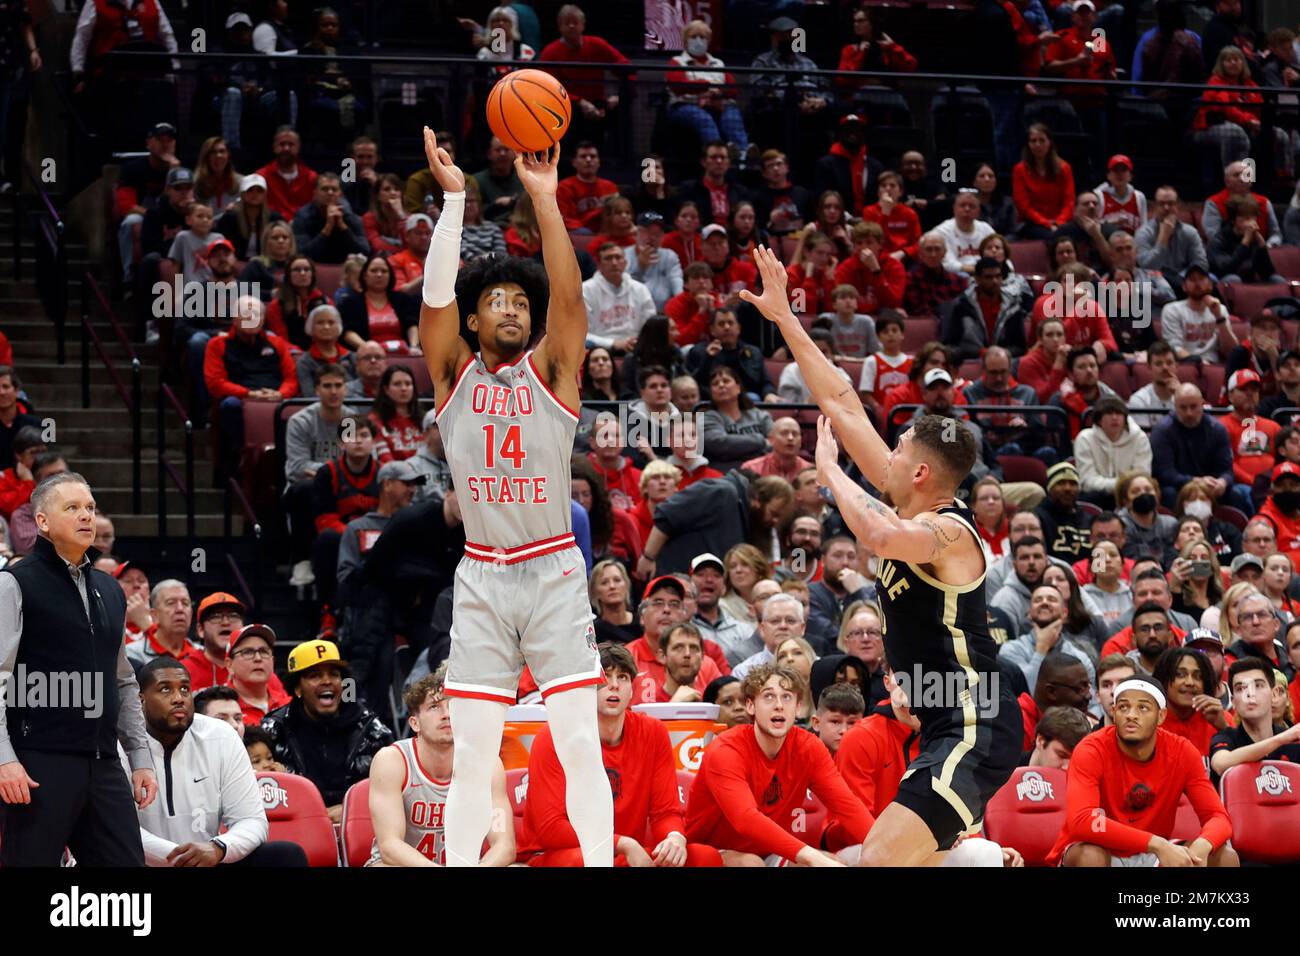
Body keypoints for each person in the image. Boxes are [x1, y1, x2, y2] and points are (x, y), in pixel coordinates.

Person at [742, 245, 1023, 866]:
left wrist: (827, 475)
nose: (885, 454)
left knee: (876, 862)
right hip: (942, 724)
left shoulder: (949, 534)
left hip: (974, 724)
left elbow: (880, 539)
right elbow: (843, 403)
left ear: (920, 470)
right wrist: (786, 318)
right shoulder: (910, 499)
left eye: (896, 448)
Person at [416, 134, 615, 864]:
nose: (511, 309)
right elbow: (435, 298)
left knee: (577, 740)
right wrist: (454, 201)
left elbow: (567, 294)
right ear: (473, 322)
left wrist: (545, 199)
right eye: (494, 301)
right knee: (473, 752)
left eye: (518, 303)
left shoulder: (556, 372)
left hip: (554, 570)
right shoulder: (452, 377)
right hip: (483, 574)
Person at [0, 472, 158, 865]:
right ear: (42, 522)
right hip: (38, 762)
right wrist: (4, 760)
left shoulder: (109, 589)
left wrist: (139, 756)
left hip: (104, 763)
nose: (86, 516)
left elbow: (123, 681)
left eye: (90, 507)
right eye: (72, 508)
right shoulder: (13, 584)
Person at [684, 663, 872, 866]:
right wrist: (811, 855)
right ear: (750, 706)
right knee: (752, 863)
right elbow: (745, 819)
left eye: (787, 697)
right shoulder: (725, 750)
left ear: (798, 707)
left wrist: (883, 845)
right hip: (708, 851)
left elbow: (848, 806)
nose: (779, 705)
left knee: (832, 861)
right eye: (768, 696)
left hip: (768, 849)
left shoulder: (809, 747)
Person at [128, 657, 305, 867]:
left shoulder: (221, 736)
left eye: (185, 689)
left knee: (286, 855)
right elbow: (120, 828)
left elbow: (252, 820)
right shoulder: (118, 743)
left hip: (208, 859)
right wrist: (183, 859)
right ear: (140, 700)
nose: (179, 698)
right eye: (165, 690)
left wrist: (219, 848)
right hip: (145, 862)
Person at [1049, 677, 1236, 867]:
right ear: (1113, 713)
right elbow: (1082, 821)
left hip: (1153, 854)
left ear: (1161, 716)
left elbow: (1218, 818)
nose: (1131, 715)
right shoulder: (1091, 749)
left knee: (1224, 858)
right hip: (1101, 849)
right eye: (1123, 707)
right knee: (1091, 857)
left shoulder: (1182, 752)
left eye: (1143, 708)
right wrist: (1156, 843)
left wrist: (1202, 846)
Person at [366, 666, 513, 867]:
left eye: (452, 706)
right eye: (434, 707)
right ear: (414, 723)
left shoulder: (487, 764)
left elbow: (504, 846)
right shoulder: (392, 761)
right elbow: (390, 847)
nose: (446, 714)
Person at [261, 638, 393, 823]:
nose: (327, 681)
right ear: (297, 687)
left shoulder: (373, 729)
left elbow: (395, 788)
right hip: (296, 827)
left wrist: (352, 808)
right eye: (314, 675)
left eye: (334, 674)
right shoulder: (274, 730)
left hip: (361, 825)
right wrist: (314, 814)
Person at [1209, 657, 1300, 785]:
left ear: (1274, 694)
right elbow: (1221, 764)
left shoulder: (1294, 743)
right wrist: (1282, 739)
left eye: (1258, 685)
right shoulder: (1225, 737)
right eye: (1240, 688)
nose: (1250, 694)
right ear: (1233, 701)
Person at [1151, 383, 1241, 510]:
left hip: (1210, 486)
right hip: (1178, 486)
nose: (1189, 413)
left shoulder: (1217, 429)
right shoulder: (1162, 430)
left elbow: (1226, 470)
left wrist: (1222, 482)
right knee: (1169, 494)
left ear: (1202, 404)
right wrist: (1195, 481)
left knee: (1235, 495)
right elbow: (1164, 473)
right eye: (1183, 407)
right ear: (1175, 407)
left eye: (1193, 407)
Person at [999, 583, 1097, 686]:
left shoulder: (1080, 657)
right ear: (1030, 613)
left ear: (1065, 613)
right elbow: (1025, 690)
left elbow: (1091, 700)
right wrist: (1041, 649)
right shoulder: (1012, 649)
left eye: (1052, 599)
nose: (1044, 602)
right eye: (1038, 600)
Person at [942, 255, 1029, 359]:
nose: (995, 281)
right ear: (977, 279)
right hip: (971, 361)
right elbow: (950, 346)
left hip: (1005, 361)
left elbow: (1020, 346)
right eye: (989, 277)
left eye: (998, 276)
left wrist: (999, 354)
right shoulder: (960, 306)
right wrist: (981, 352)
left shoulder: (1013, 306)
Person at [1074, 398, 1152, 506]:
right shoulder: (1085, 439)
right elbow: (1087, 481)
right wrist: (1120, 485)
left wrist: (1125, 487)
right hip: (1097, 495)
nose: (1115, 417)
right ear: (1099, 420)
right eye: (1109, 413)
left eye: (1119, 413)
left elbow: (1143, 474)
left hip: (1131, 493)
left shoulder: (1140, 438)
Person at [1153, 646, 1228, 756]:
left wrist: (1223, 727)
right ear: (1163, 679)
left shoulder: (1220, 717)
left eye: (1198, 676)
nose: (1189, 682)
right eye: (1180, 674)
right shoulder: (1150, 721)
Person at [582, 242, 656, 353]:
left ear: (625, 262)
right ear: (599, 264)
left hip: (636, 346)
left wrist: (637, 341)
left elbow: (650, 325)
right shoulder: (585, 290)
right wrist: (612, 343)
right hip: (599, 348)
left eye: (618, 257)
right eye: (608, 258)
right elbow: (580, 333)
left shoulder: (640, 289)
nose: (614, 263)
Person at [807, 535, 875, 654]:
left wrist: (857, 592)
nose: (845, 562)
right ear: (823, 561)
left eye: (851, 557)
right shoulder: (810, 593)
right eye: (837, 556)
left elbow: (875, 631)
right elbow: (830, 636)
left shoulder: (870, 593)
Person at [1135, 186, 1208, 295]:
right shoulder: (1143, 233)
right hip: (1156, 283)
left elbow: (1201, 263)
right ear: (1155, 206)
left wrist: (1185, 279)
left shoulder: (1190, 232)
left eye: (1171, 203)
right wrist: (1163, 237)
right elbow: (1147, 266)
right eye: (1161, 204)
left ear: (1178, 206)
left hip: (1185, 279)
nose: (1166, 208)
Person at [1012, 123, 1075, 239]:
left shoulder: (1064, 168)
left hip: (1061, 222)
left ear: (1049, 142)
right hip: (1032, 223)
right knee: (1053, 236)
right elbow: (1023, 206)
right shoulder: (1019, 170)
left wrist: (1059, 222)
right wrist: (1046, 223)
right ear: (1028, 144)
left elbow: (1069, 202)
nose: (1038, 145)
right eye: (1033, 141)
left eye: (1042, 140)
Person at [226, 623, 291, 725]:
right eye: (247, 652)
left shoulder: (290, 705)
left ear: (273, 660)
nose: (258, 658)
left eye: (264, 651)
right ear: (229, 665)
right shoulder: (220, 710)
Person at [254, 127, 318, 221]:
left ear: (298, 147)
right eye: (282, 144)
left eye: (291, 144)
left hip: (303, 229)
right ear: (274, 147)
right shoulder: (260, 177)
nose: (286, 148)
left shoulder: (312, 177)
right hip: (271, 228)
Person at [555, 142, 618, 233]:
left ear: (599, 162)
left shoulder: (610, 187)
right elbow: (563, 218)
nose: (588, 160)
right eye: (583, 156)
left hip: (606, 234)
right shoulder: (564, 187)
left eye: (593, 156)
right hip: (576, 234)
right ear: (574, 162)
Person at [902, 231, 967, 317]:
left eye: (937, 249)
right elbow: (917, 309)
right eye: (929, 249)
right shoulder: (910, 279)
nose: (933, 254)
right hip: (925, 325)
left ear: (944, 253)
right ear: (920, 254)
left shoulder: (958, 281)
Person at [935, 190, 996, 274]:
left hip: (986, 275)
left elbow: (1001, 254)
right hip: (957, 276)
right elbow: (946, 264)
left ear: (978, 211)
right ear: (954, 208)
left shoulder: (986, 228)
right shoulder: (942, 231)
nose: (967, 209)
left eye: (972, 206)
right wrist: (977, 270)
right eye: (962, 205)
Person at [1127, 339, 1180, 429]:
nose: (1165, 368)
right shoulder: (1139, 400)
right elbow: (1144, 440)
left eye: (1169, 363)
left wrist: (1180, 393)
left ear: (1177, 366)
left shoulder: (1186, 395)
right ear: (1149, 368)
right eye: (1158, 363)